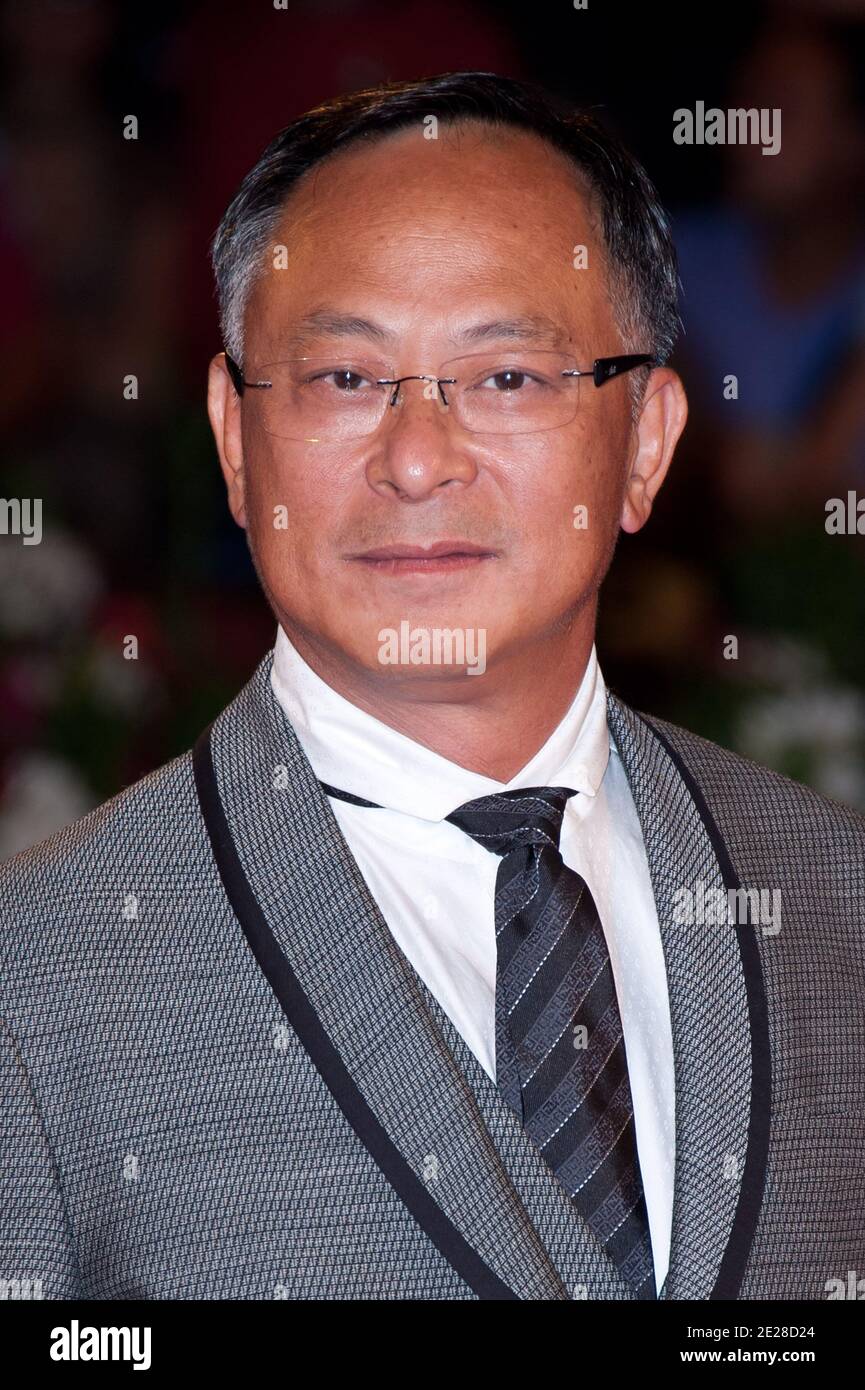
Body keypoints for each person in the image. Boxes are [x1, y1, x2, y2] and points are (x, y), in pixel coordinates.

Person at [1, 71, 863, 1303]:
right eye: (346, 380)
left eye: (507, 376)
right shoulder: (35, 979)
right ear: (237, 444)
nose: (415, 457)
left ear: (647, 443)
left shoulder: (833, 895)